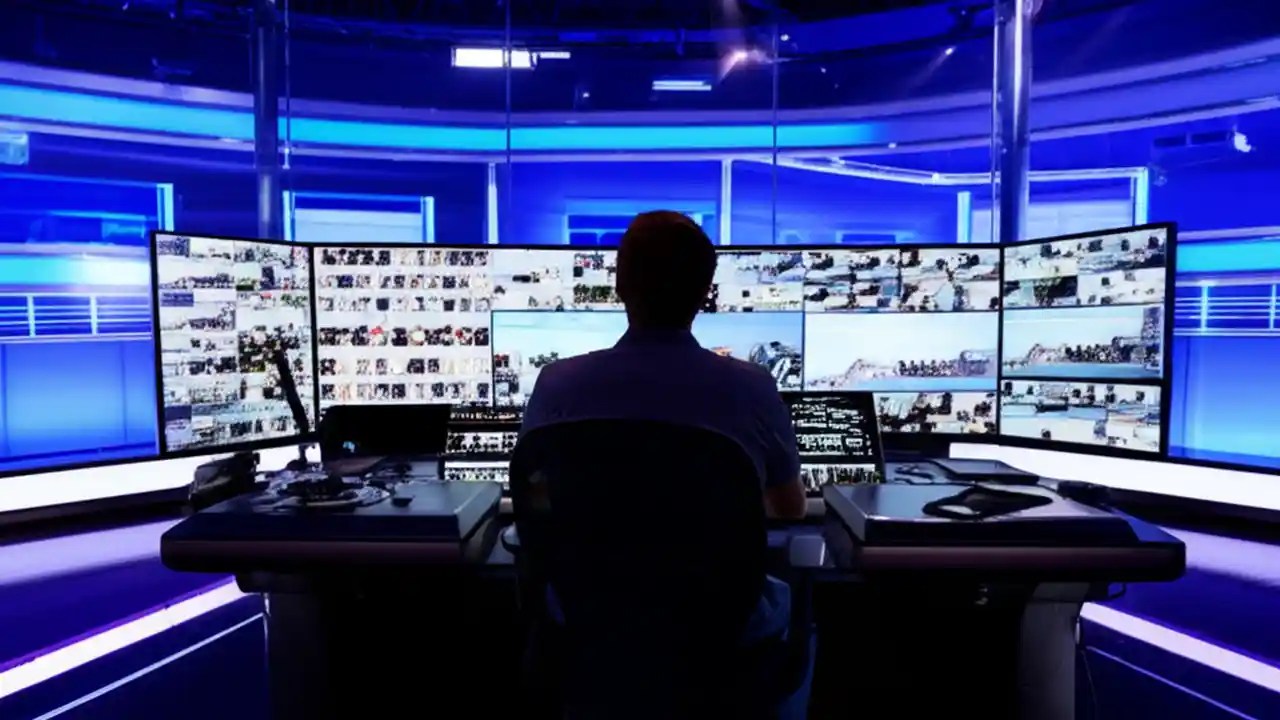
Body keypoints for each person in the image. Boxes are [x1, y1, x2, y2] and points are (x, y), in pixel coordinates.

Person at [521, 209, 806, 520]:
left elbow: (531, 501)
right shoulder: (753, 389)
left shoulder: (556, 385)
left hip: (583, 568)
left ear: (619, 285)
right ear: (705, 294)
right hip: (712, 569)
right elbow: (790, 510)